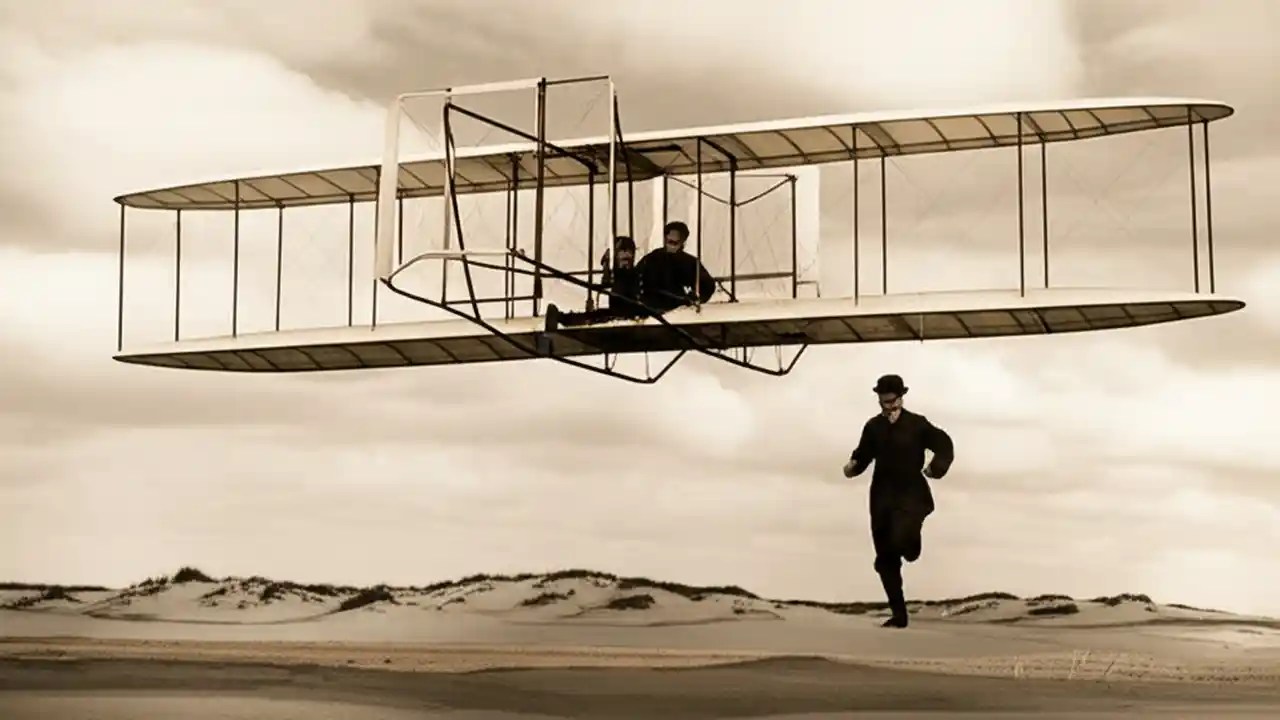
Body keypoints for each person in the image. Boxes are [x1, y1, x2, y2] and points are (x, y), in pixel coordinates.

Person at [842, 374, 954, 629]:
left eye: (893, 402)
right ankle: (899, 616)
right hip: (881, 496)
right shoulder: (873, 427)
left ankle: (912, 545)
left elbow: (944, 444)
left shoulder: (917, 424)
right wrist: (853, 466)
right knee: (885, 559)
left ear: (901, 398)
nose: (889, 408)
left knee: (903, 541)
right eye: (884, 403)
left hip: (911, 494)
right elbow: (863, 455)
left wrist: (936, 468)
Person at [545, 235, 643, 331]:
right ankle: (562, 318)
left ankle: (562, 318)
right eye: (623, 252)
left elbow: (614, 286)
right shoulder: (623, 273)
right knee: (598, 316)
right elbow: (608, 284)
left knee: (598, 316)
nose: (626, 256)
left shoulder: (632, 274)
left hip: (625, 312)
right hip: (620, 311)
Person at [634, 220, 716, 312]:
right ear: (665, 239)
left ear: (683, 242)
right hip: (653, 309)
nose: (672, 246)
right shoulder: (650, 259)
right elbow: (635, 279)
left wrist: (696, 296)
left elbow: (707, 285)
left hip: (680, 310)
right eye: (670, 242)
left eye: (676, 243)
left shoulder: (690, 262)